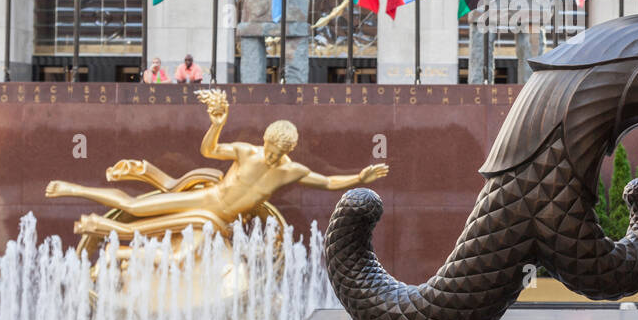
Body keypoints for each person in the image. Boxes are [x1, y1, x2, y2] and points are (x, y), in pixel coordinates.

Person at [46, 89, 389, 239]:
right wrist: (218, 122)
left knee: (143, 222)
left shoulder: (291, 171)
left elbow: (327, 183)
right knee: (136, 207)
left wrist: (360, 176)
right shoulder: (246, 151)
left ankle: (99, 225)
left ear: (289, 150)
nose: (269, 156)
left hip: (222, 221)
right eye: (268, 148)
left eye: (275, 153)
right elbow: (209, 151)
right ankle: (71, 188)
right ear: (265, 141)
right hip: (205, 201)